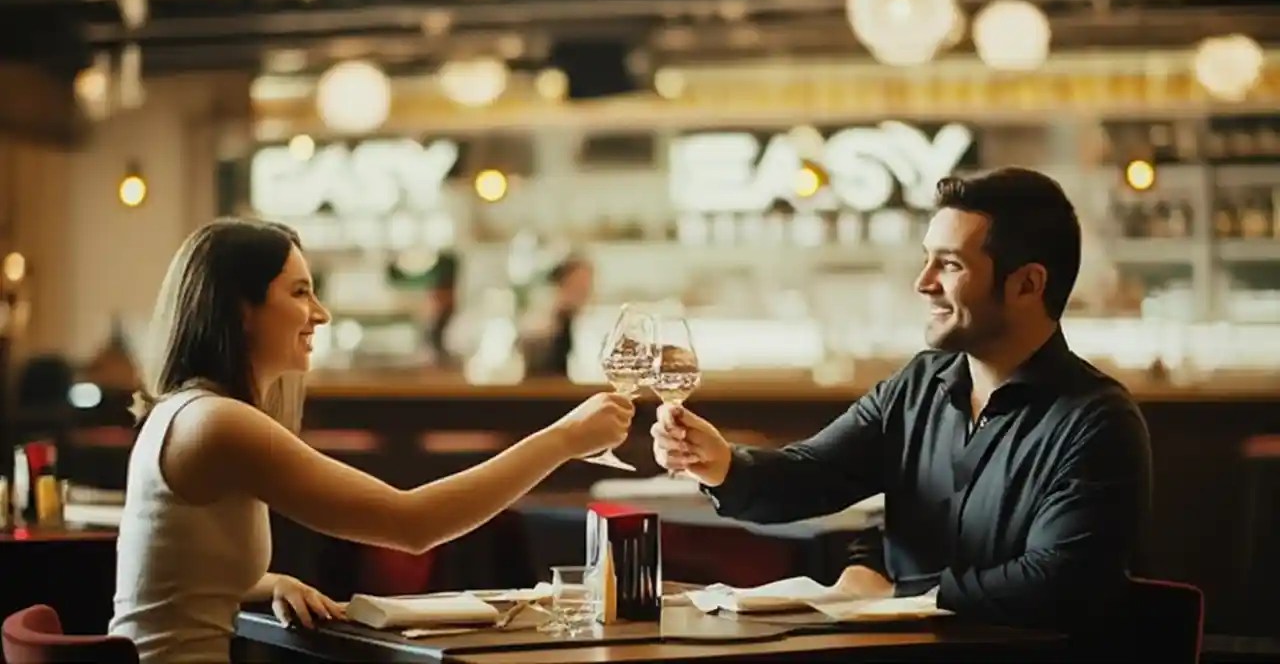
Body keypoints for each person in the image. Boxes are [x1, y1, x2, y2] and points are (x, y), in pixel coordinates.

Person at [109, 218, 634, 663]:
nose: (321, 312)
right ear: (240, 310)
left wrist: (271, 583)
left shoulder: (188, 412)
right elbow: (411, 523)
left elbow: (179, 582)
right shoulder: (218, 423)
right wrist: (565, 438)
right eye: (299, 292)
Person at [652, 168, 1152, 632]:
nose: (923, 282)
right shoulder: (918, 385)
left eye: (950, 264)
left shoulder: (1098, 421)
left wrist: (896, 594)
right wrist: (720, 464)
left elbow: (1058, 583)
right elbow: (811, 475)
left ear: (1027, 284)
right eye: (926, 258)